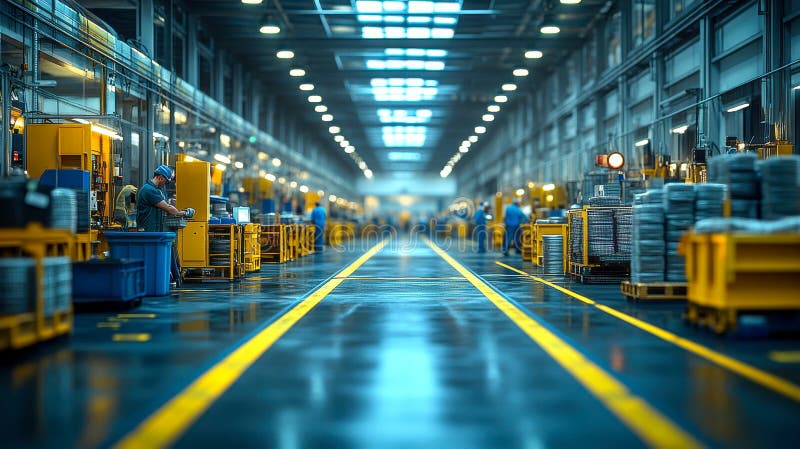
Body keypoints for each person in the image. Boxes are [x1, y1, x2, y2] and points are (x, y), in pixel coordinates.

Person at [137, 165, 195, 286]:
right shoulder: (148, 190)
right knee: (152, 257)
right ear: (160, 177)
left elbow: (167, 203)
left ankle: (173, 278)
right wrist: (184, 213)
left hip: (158, 230)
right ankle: (154, 282)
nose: (166, 184)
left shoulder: (160, 189)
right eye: (166, 181)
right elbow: (168, 208)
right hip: (148, 230)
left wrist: (172, 204)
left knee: (168, 251)